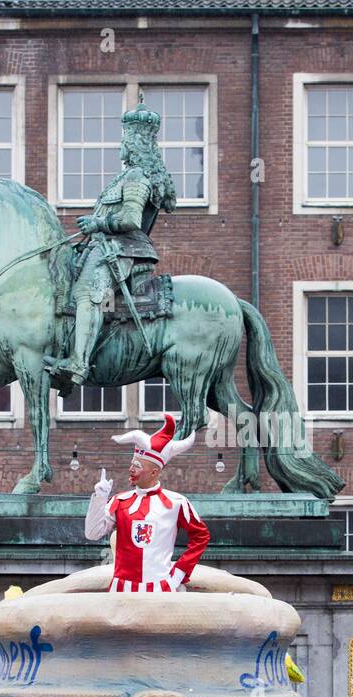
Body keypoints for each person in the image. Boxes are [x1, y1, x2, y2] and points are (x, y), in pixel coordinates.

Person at [55, 96, 176, 389]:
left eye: (125, 138)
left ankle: (78, 363)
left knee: (88, 295)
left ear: (134, 141)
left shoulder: (137, 176)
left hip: (125, 250)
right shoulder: (125, 176)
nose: (121, 144)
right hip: (107, 247)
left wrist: (97, 223)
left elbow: (131, 220)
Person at [84, 415, 210, 593]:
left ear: (154, 472)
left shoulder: (177, 503)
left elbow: (201, 536)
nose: (131, 469)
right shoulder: (119, 501)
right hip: (122, 592)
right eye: (131, 463)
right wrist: (99, 498)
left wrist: (178, 574)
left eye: (137, 465)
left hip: (161, 591)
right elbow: (92, 533)